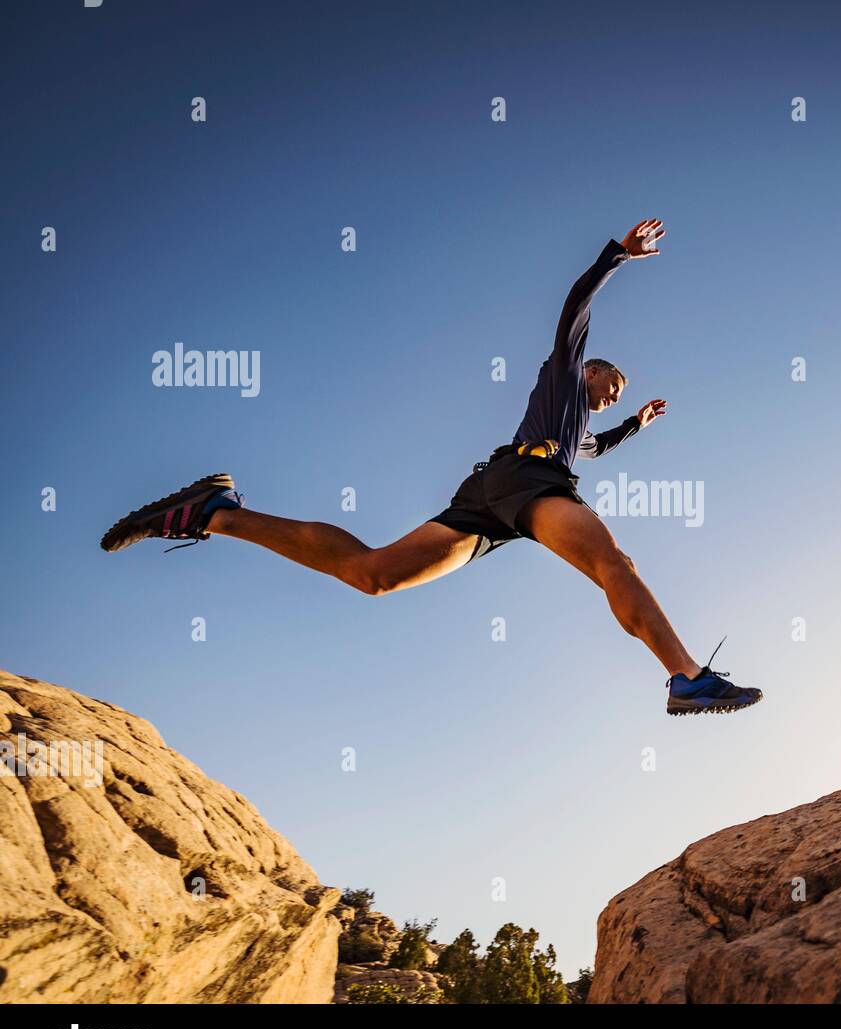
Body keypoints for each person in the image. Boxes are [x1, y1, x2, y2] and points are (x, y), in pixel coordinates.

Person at [101, 220, 763, 716]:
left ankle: (215, 512)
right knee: (610, 564)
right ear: (591, 370)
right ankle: (686, 677)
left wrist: (636, 425)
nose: (614, 392)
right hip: (525, 484)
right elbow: (575, 310)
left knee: (374, 574)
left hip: (495, 500)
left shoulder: (574, 426)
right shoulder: (565, 375)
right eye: (613, 383)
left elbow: (595, 449)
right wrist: (616, 255)